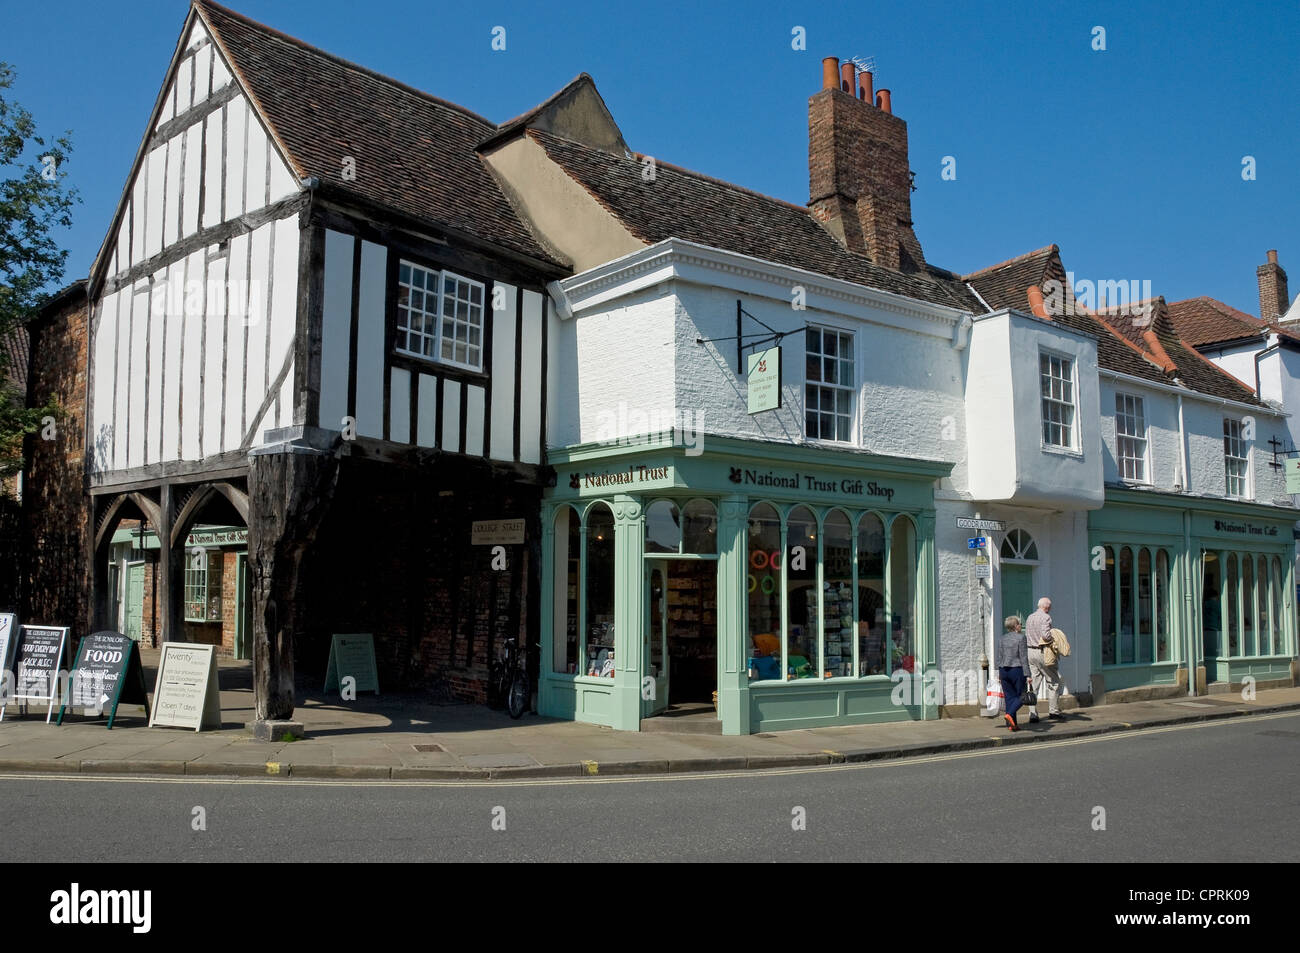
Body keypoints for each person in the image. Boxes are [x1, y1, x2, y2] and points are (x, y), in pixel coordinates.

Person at [1025, 596, 1063, 721]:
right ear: (1047, 607)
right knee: (1053, 681)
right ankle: (1054, 712)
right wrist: (1055, 638)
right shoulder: (1046, 617)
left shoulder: (1030, 617)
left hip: (1030, 651)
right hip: (1043, 651)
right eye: (1050, 607)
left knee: (1034, 684)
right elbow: (1046, 636)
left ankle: (1033, 714)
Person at [997, 615, 1030, 731]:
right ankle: (1009, 714)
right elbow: (1023, 657)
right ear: (1015, 626)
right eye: (1019, 623)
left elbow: (999, 657)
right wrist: (1028, 674)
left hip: (1003, 670)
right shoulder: (1021, 638)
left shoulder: (1002, 638)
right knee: (1022, 696)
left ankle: (1012, 725)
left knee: (1009, 698)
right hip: (1016, 669)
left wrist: (998, 674)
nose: (1020, 625)